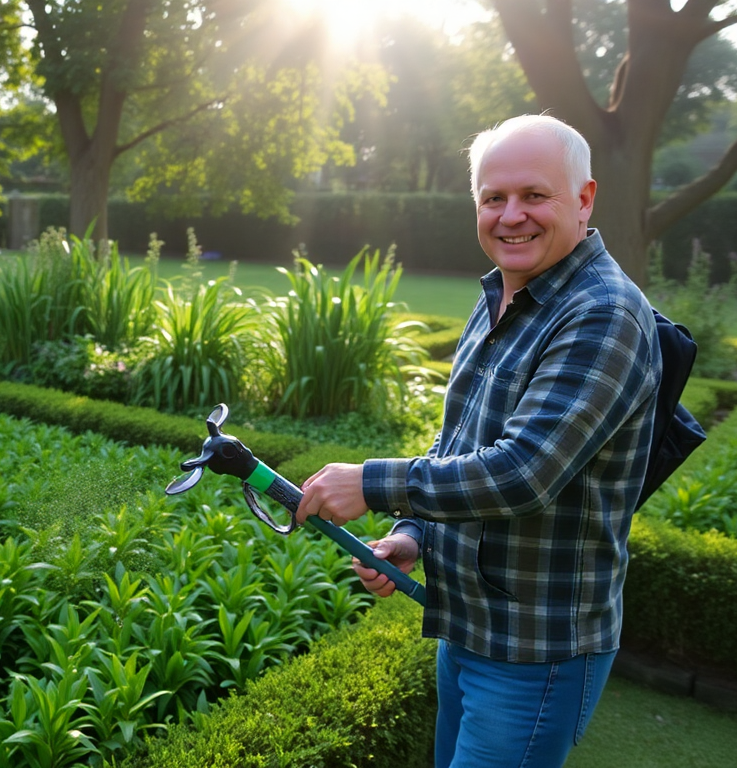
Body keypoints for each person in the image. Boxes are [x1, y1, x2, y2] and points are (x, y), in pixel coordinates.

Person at [293, 114, 660, 768]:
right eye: (494, 198)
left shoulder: (602, 312)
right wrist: (411, 534)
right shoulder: (503, 295)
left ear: (583, 199)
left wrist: (370, 484)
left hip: (535, 652)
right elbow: (459, 445)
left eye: (534, 195)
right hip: (466, 627)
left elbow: (523, 471)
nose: (510, 215)